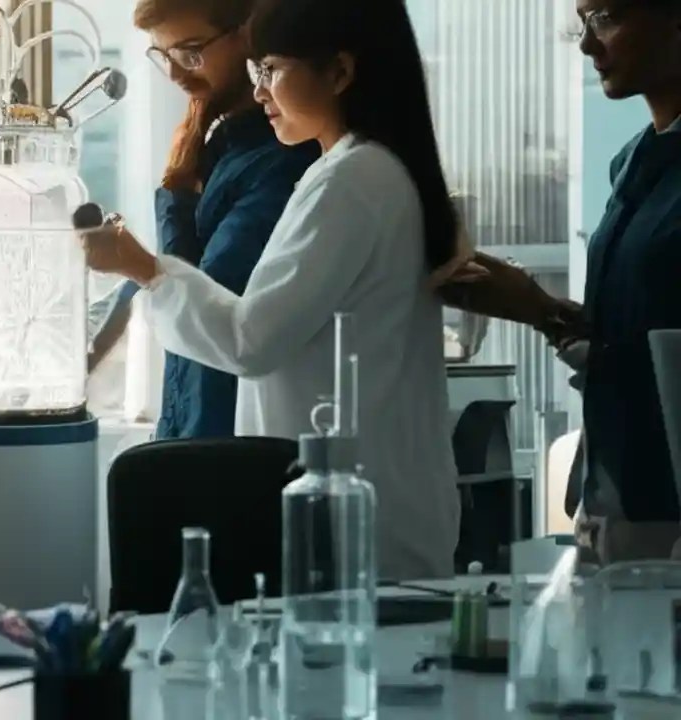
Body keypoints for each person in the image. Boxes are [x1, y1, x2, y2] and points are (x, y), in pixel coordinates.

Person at [85, 0, 461, 580]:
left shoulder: (353, 180)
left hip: (355, 525)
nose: (259, 93)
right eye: (255, 70)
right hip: (356, 512)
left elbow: (249, 341)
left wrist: (145, 269)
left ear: (338, 72)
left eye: (271, 71)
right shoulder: (353, 170)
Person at [89, 0, 317, 440]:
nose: (176, 73)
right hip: (198, 441)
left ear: (249, 34)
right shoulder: (224, 149)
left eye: (191, 52)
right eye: (164, 55)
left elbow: (208, 316)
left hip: (231, 452)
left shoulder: (281, 163)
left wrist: (174, 196)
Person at [557, 0, 681, 563]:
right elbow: (622, 329)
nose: (586, 44)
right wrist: (535, 308)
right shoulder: (632, 161)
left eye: (604, 16)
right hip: (614, 501)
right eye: (581, 22)